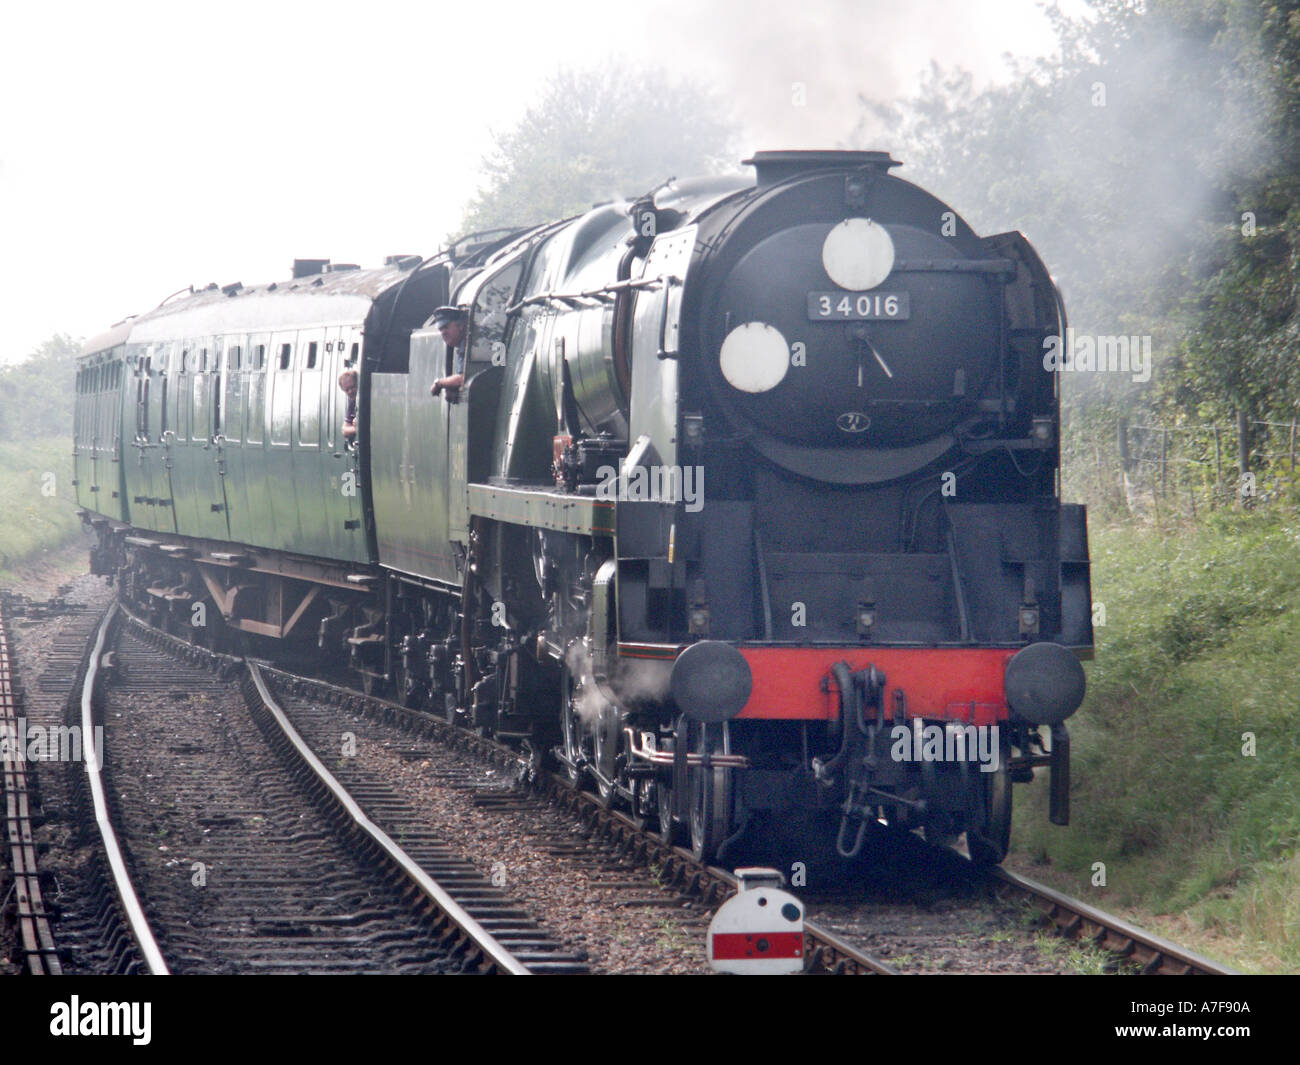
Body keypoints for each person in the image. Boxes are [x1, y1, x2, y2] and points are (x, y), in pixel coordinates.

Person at [429, 305, 469, 398]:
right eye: (440, 329)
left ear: (460, 326)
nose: (443, 332)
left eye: (446, 327)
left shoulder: (469, 345)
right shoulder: (461, 346)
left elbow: (463, 379)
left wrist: (439, 383)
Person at [338, 369, 358, 440]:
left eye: (352, 387)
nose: (350, 391)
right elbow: (344, 430)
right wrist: (357, 429)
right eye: (347, 390)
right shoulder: (352, 401)